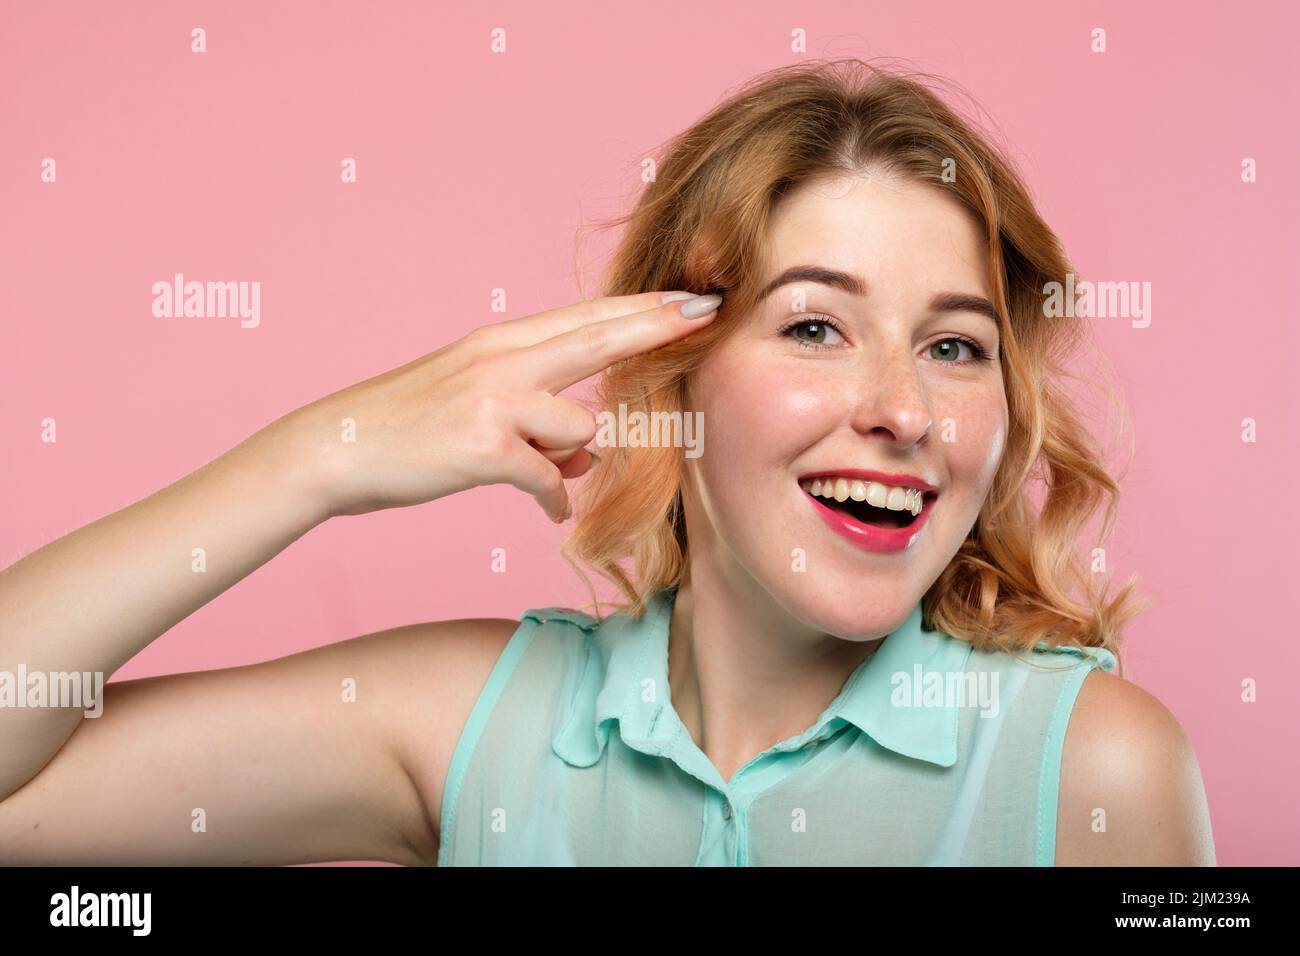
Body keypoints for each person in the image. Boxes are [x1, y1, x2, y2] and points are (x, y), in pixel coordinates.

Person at [0, 59, 1214, 866]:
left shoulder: (1094, 767)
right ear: (666, 374)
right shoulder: (478, 722)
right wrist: (327, 451)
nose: (903, 409)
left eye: (954, 345)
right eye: (812, 325)